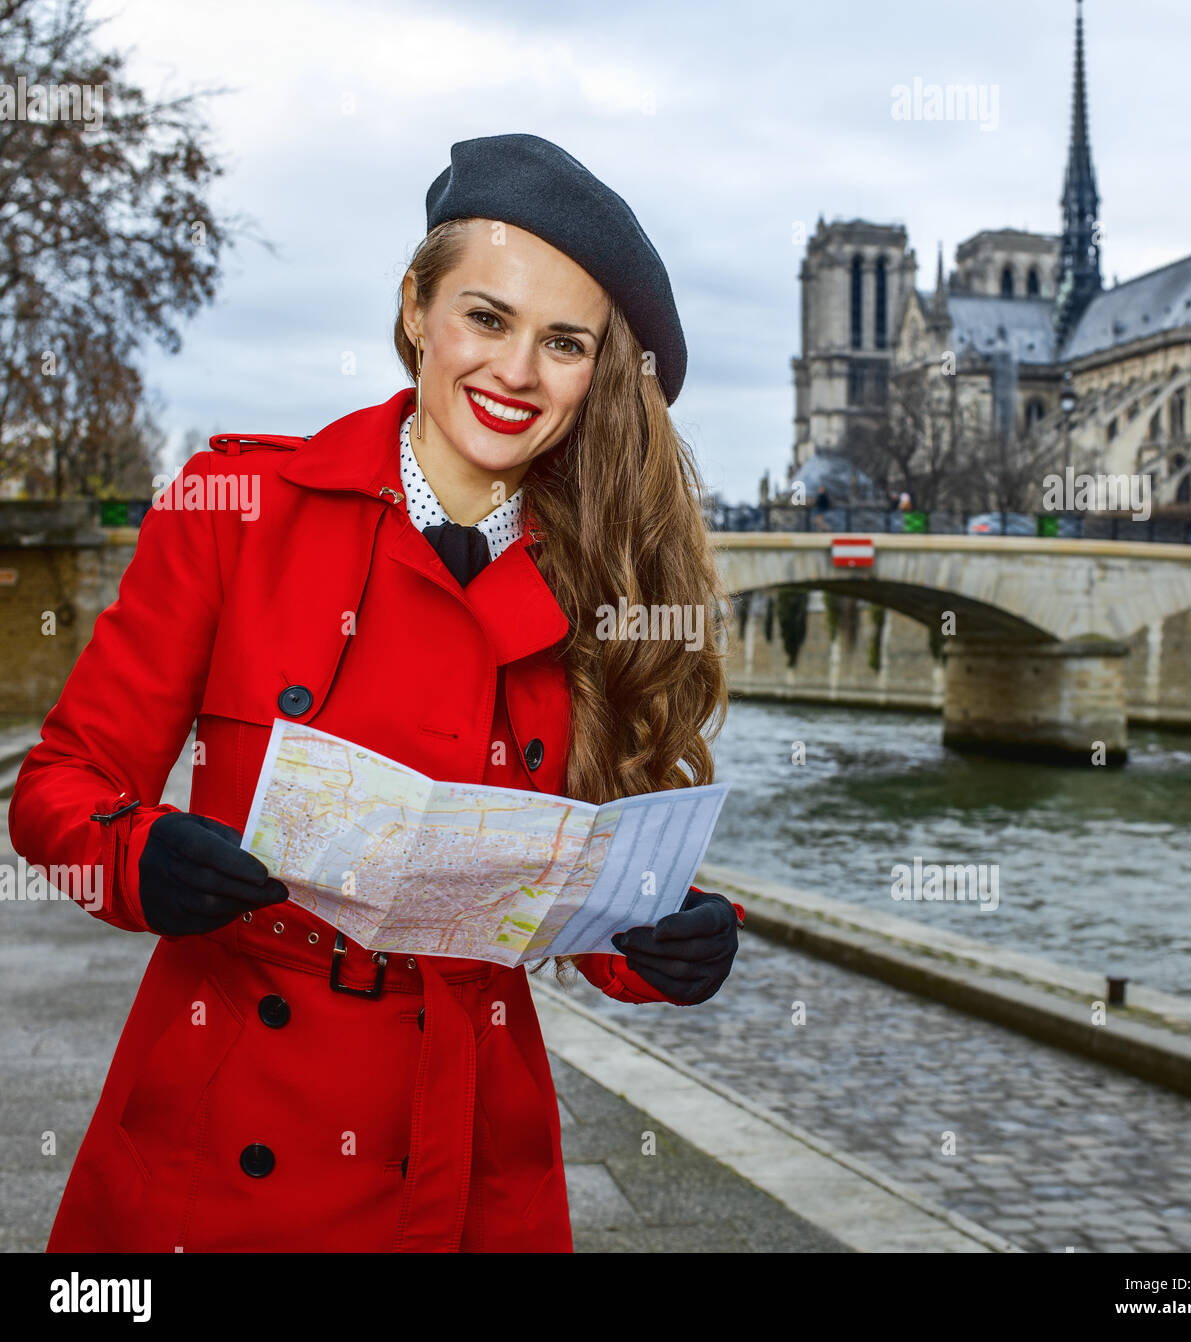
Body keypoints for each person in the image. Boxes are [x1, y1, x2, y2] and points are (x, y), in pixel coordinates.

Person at [7, 133, 744, 1253]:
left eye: (563, 343)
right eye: (486, 319)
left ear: (599, 371)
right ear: (415, 309)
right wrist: (139, 857)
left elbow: (583, 900)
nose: (516, 373)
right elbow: (58, 790)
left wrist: (664, 945)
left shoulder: (606, 577)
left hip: (469, 1145)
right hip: (233, 1122)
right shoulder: (234, 511)